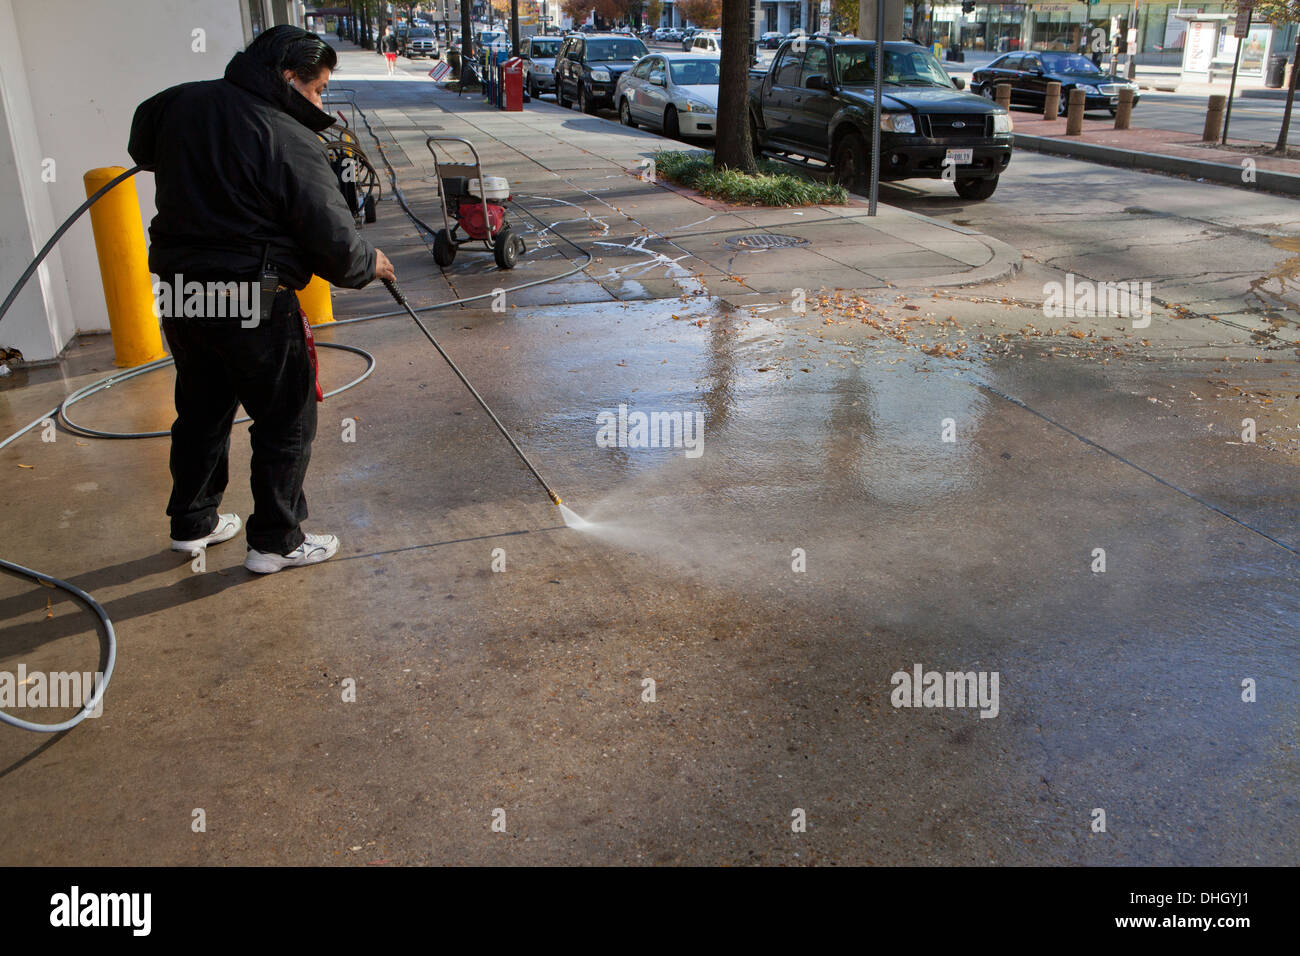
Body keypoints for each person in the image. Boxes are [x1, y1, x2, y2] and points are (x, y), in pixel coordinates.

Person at [128, 25, 396, 574]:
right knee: (285, 418)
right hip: (251, 294)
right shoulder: (285, 135)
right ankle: (276, 541)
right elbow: (335, 241)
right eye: (318, 88)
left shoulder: (178, 103)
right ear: (288, 77)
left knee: (202, 406)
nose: (320, 101)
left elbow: (141, 147)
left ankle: (193, 523)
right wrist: (372, 262)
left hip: (184, 294)